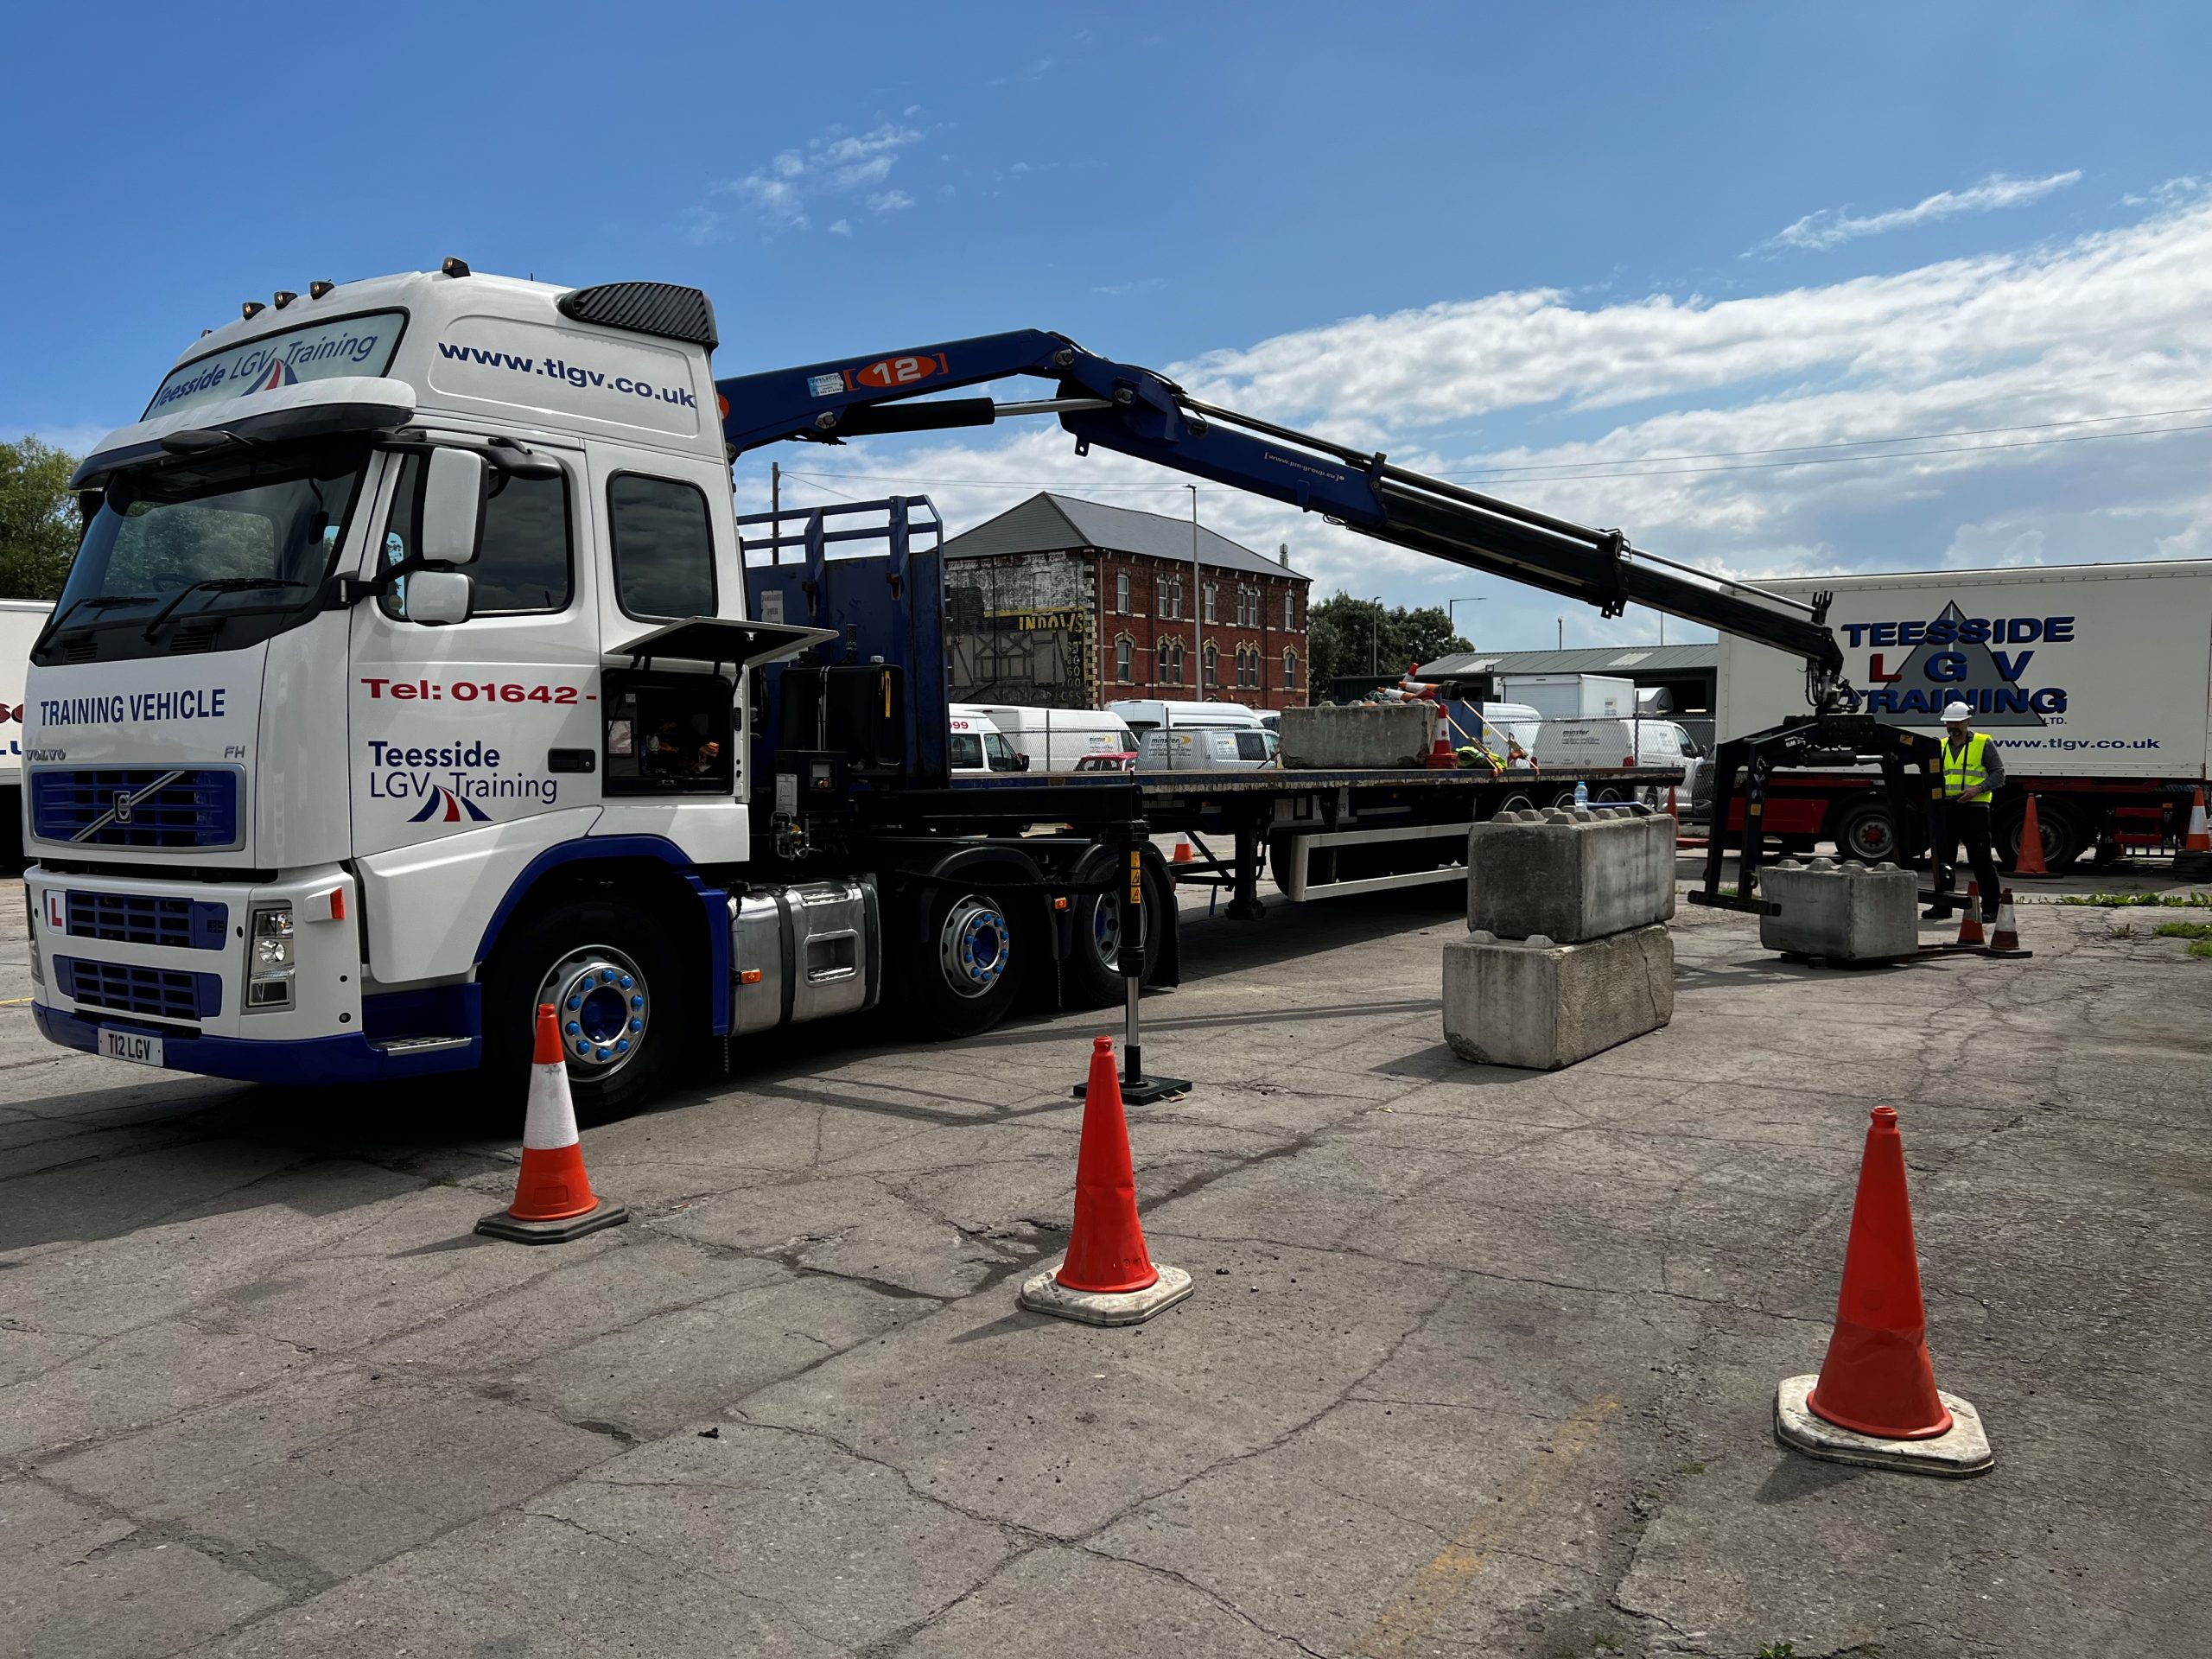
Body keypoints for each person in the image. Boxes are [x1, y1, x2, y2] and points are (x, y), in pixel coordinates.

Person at [1923, 700, 2004, 922]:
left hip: (1975, 808)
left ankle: (1991, 908)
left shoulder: (1982, 743)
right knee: (1943, 859)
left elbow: (1999, 775)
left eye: (1957, 722)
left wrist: (1978, 789)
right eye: (1949, 722)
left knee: (1980, 860)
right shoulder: (1940, 747)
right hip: (1947, 808)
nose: (1952, 726)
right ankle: (1942, 906)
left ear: (1968, 721)